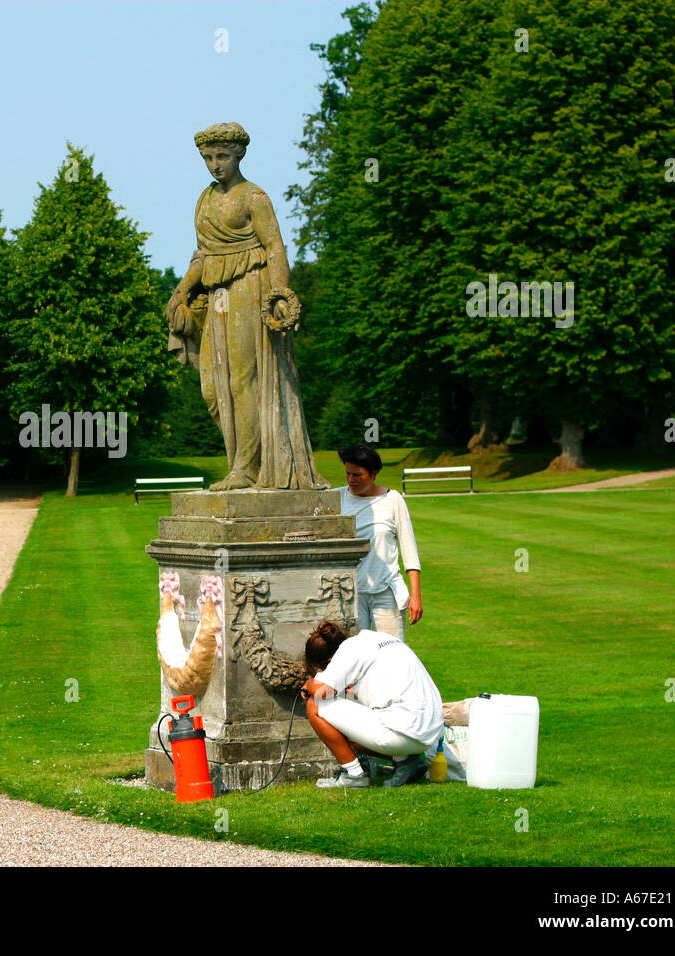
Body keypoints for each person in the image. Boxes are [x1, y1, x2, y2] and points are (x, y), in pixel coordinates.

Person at [166, 122, 327, 492]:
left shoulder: (254, 197)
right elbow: (203, 255)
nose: (214, 165)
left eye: (221, 156)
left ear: (239, 154)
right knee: (213, 387)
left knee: (242, 381)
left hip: (250, 289)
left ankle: (246, 468)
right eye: (208, 157)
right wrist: (181, 289)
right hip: (216, 295)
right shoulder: (205, 198)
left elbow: (275, 248)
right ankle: (239, 461)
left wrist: (280, 294)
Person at [300, 620, 444, 789]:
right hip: (431, 732)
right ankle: (407, 762)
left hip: (405, 732)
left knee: (314, 705)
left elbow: (321, 692)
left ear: (330, 660)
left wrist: (310, 683)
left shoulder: (347, 652)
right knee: (349, 732)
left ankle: (353, 775)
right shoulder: (377, 638)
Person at [335, 443, 422, 641]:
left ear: (373, 473)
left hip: (386, 593)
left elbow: (410, 551)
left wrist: (416, 596)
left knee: (392, 657)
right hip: (349, 594)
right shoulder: (336, 498)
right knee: (356, 660)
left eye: (357, 475)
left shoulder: (393, 499)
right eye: (347, 474)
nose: (351, 480)